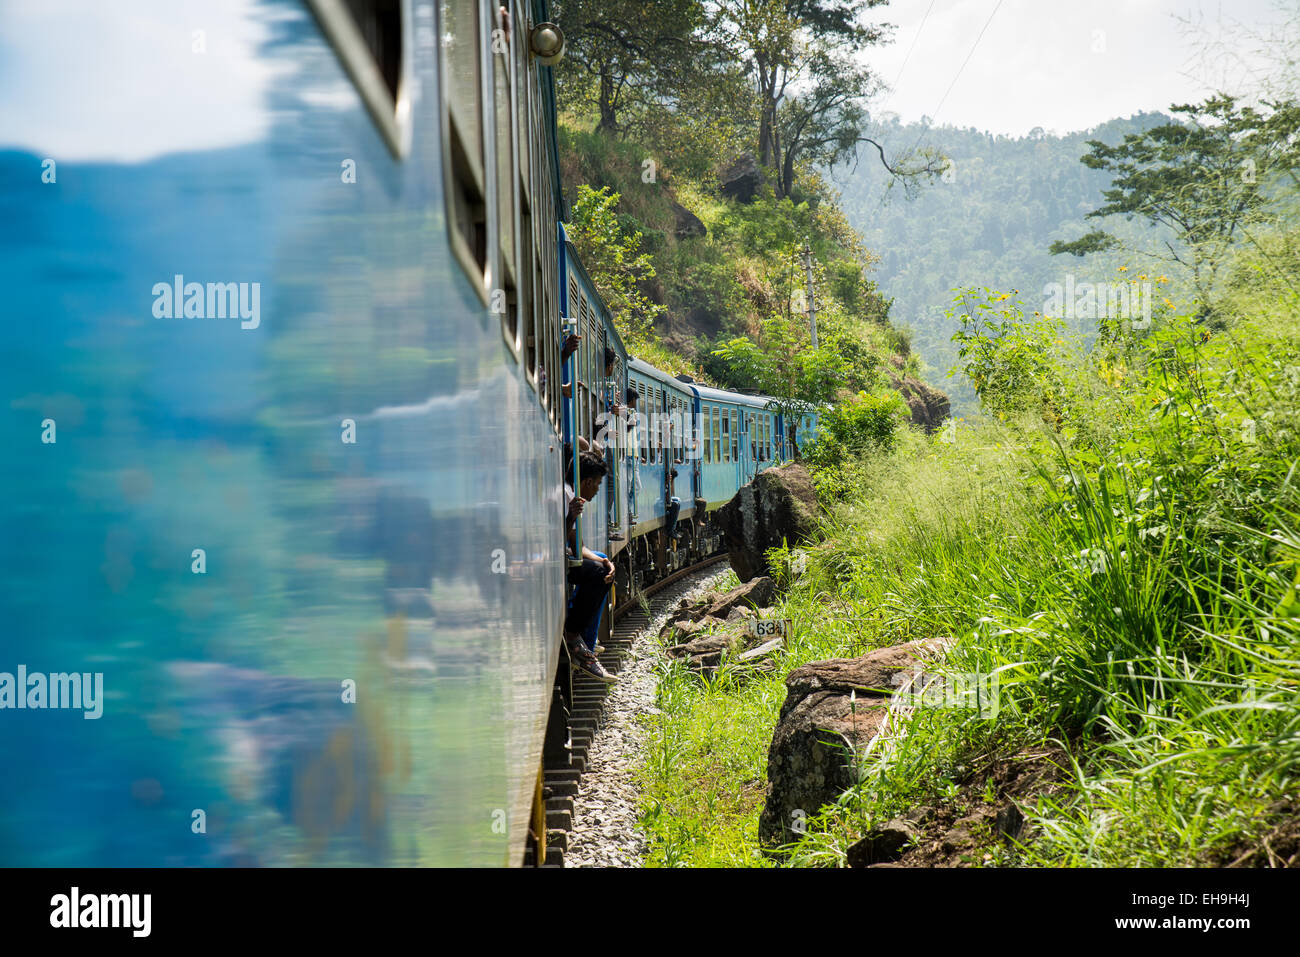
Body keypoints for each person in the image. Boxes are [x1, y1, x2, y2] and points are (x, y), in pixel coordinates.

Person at [563, 450, 617, 683]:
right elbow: (557, 538)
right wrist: (569, 518)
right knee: (598, 573)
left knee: (602, 564)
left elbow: (578, 545)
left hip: (565, 556)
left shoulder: (572, 495)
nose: (597, 489)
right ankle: (575, 638)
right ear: (586, 482)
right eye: (596, 484)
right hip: (555, 559)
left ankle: (587, 639)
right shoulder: (566, 497)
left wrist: (604, 560)